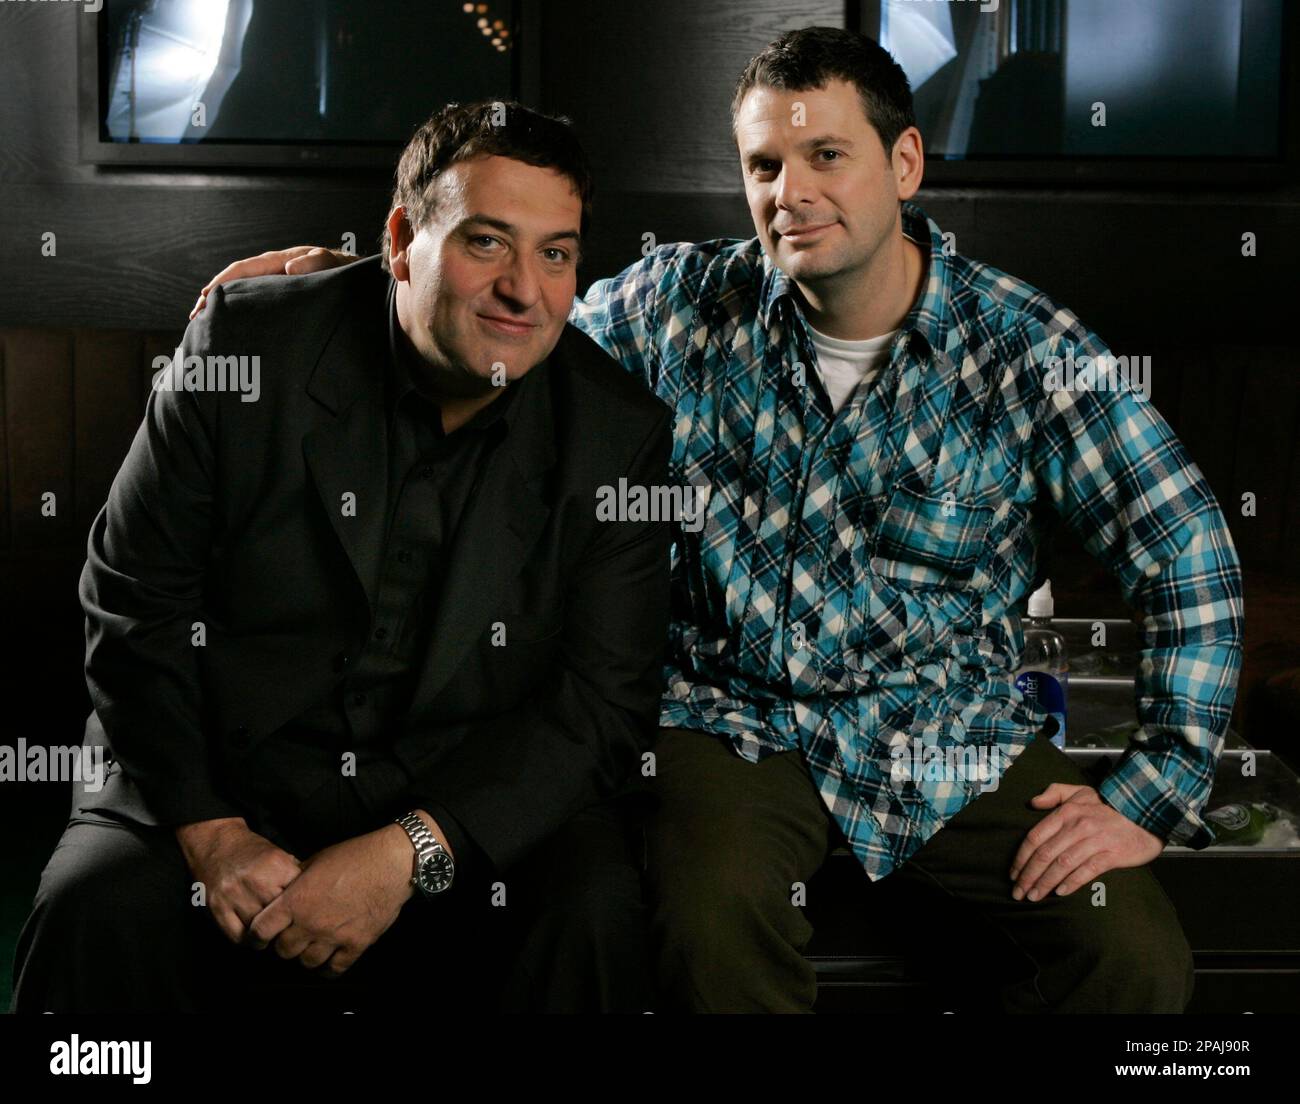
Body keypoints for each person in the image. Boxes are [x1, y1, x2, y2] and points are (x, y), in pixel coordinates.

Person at [187, 28, 1244, 1013]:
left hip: (948, 730)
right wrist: (342, 287)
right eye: (764, 167)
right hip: (729, 720)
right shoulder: (671, 307)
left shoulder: (1022, 346)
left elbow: (1186, 548)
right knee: (706, 923)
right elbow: (508, 313)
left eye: (827, 156)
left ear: (906, 164)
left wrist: (1150, 791)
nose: (792, 193)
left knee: (1133, 952)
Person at [10, 101, 674, 1014]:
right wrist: (209, 831)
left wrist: (412, 850)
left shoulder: (616, 433)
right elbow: (133, 599)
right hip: (217, 773)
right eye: (487, 242)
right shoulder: (245, 343)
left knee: (590, 910)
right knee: (92, 908)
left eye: (555, 253)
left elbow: (602, 702)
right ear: (402, 241)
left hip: (453, 799)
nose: (526, 288)